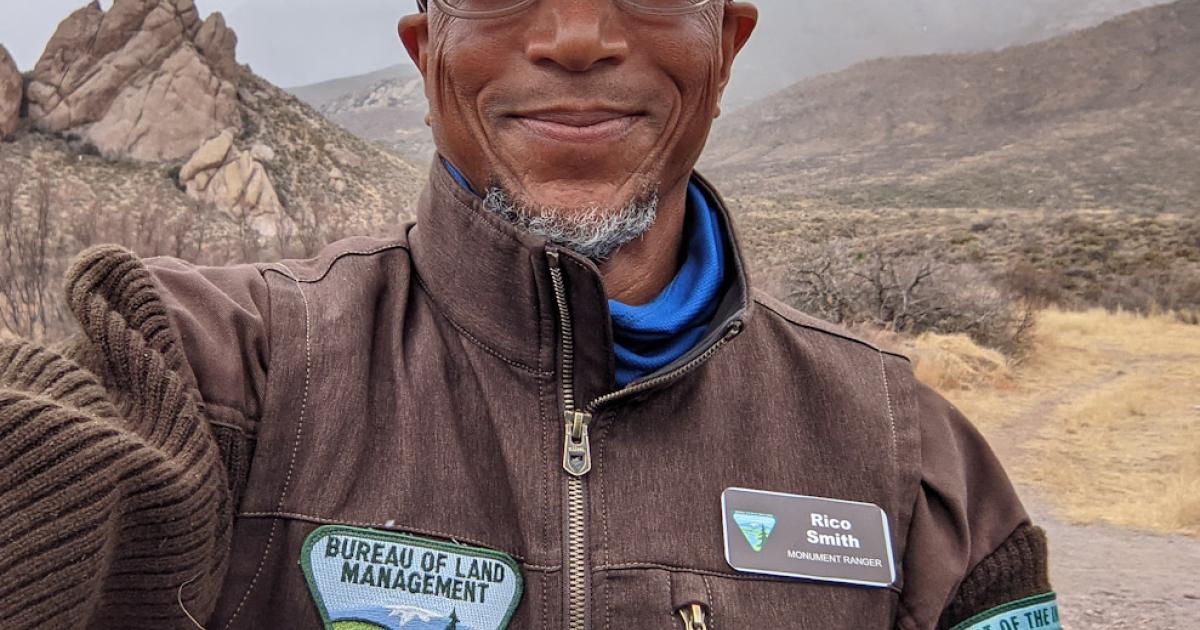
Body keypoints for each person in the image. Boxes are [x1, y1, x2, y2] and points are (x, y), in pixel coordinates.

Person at [0, 0, 1057, 628]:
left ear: (727, 44)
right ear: (428, 53)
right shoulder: (222, 373)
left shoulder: (918, 471)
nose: (578, 35)